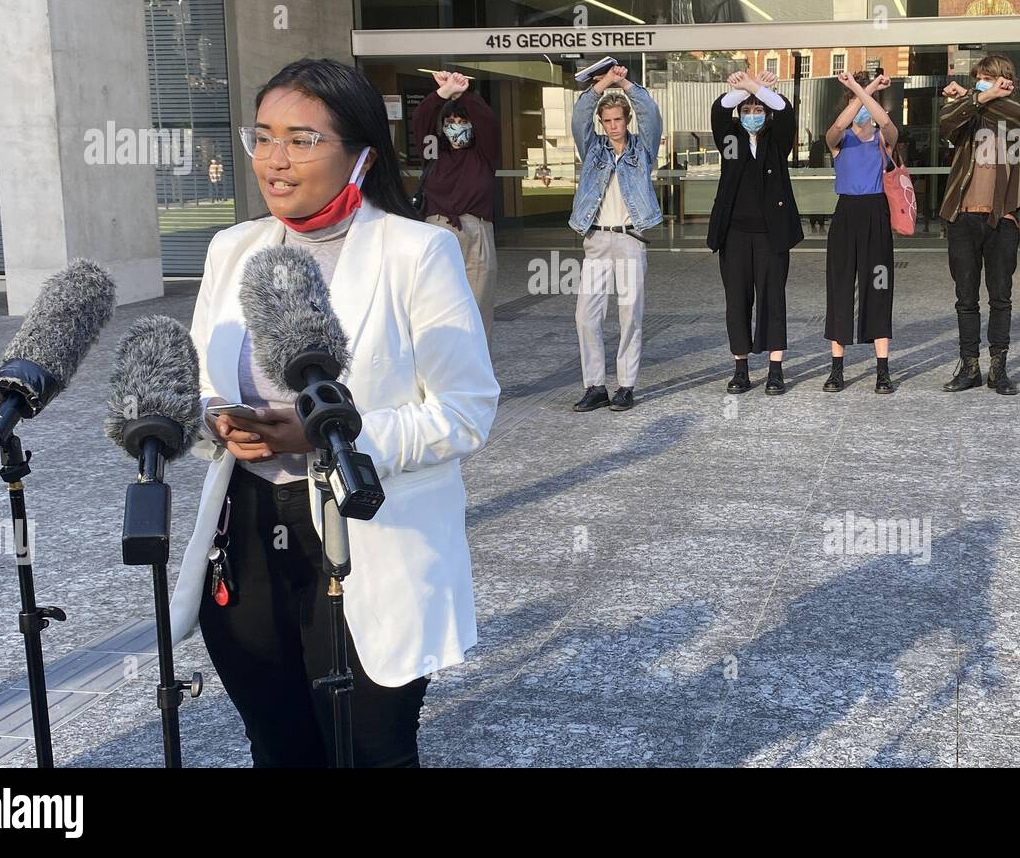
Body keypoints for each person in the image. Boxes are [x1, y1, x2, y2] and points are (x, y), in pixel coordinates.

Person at [169, 57, 499, 767]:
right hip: (249, 537)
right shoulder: (232, 249)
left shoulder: (418, 251)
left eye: (301, 139)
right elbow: (203, 379)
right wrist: (218, 421)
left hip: (368, 530)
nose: (274, 160)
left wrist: (334, 436)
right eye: (262, 137)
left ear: (360, 154)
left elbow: (466, 410)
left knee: (370, 746)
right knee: (279, 744)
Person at [568, 63, 663, 412]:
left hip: (629, 239)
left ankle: (625, 385)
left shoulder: (642, 149)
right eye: (607, 121)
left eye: (618, 120)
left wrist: (623, 83)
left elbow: (650, 111)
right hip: (596, 240)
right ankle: (595, 385)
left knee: (629, 315)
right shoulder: (593, 149)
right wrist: (602, 84)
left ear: (626, 120)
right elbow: (580, 115)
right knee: (586, 316)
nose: (613, 126)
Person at [938, 54, 1020, 395]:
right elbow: (946, 120)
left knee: (1001, 297)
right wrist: (973, 99)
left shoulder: (1014, 115)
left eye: (988, 78)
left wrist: (976, 98)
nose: (981, 83)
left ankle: (999, 370)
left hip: (1001, 218)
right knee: (966, 298)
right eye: (979, 78)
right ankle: (969, 367)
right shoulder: (969, 113)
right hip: (963, 217)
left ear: (1004, 81)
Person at [706, 68, 802, 395]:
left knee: (773, 299)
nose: (752, 115)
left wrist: (757, 88)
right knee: (737, 300)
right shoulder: (730, 138)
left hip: (771, 235)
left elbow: (786, 111)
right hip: (733, 235)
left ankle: (775, 370)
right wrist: (746, 88)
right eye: (746, 110)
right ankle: (741, 368)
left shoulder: (777, 140)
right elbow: (719, 110)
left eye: (758, 109)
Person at [822, 70, 897, 394]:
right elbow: (836, 128)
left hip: (876, 213)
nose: (863, 107)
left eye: (868, 101)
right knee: (840, 288)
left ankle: (882, 369)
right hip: (846, 214)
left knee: (878, 287)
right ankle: (836, 368)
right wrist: (861, 89)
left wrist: (863, 91)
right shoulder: (840, 141)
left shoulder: (883, 139)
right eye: (857, 101)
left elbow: (890, 125)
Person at [410, 70, 499, 338]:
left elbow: (488, 123)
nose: (456, 126)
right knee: (437, 307)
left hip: (477, 230)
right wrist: (443, 94)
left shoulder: (483, 153)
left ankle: (476, 374)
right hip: (439, 229)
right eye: (450, 121)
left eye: (462, 121)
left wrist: (465, 93)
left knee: (478, 307)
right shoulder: (434, 152)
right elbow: (421, 120)